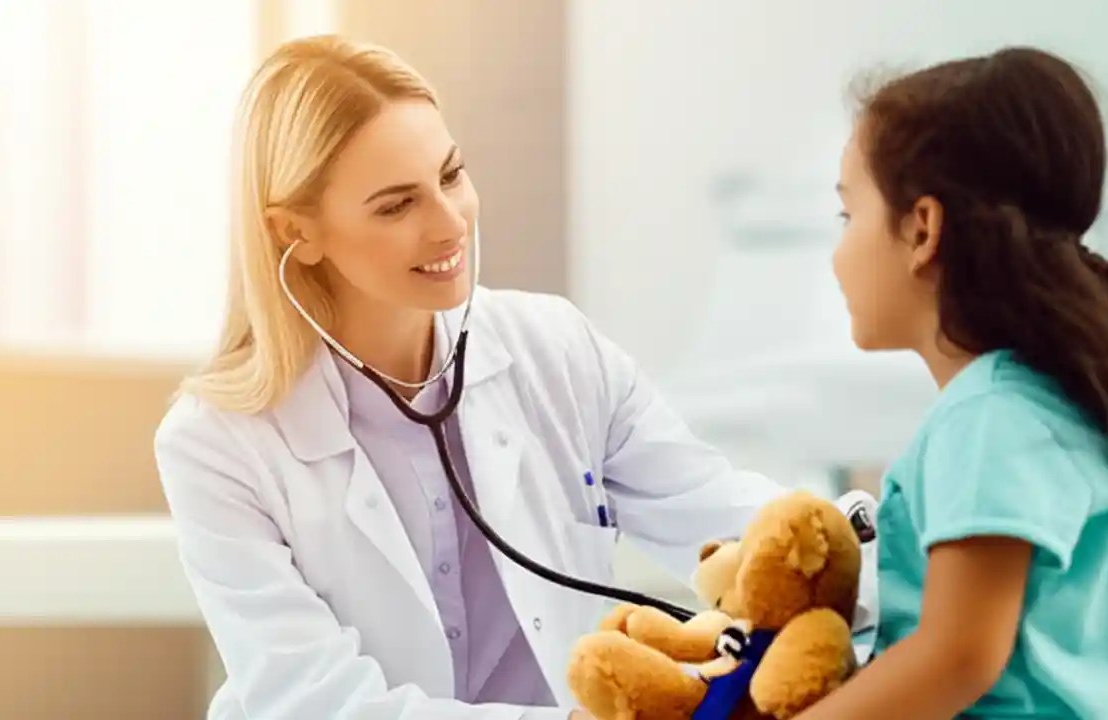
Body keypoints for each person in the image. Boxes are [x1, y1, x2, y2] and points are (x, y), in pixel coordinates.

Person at [153, 35, 876, 720]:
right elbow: (314, 699)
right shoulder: (218, 444)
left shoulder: (554, 351)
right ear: (296, 232)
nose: (449, 223)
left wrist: (896, 571)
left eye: (451, 175)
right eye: (397, 205)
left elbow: (729, 520)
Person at [795, 47, 1108, 719]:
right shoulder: (1063, 402)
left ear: (922, 229)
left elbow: (957, 656)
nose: (838, 254)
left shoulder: (987, 418)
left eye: (847, 217)